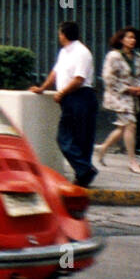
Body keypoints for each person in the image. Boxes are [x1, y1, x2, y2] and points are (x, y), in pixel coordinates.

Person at [30, 20, 98, 187]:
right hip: (70, 98)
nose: (59, 36)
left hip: (80, 96)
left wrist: (62, 92)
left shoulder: (82, 52)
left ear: (64, 34)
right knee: (72, 137)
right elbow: (55, 72)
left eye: (60, 33)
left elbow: (79, 79)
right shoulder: (64, 52)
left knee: (72, 137)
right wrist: (42, 88)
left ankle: (84, 172)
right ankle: (84, 172)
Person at [95, 27, 140, 175]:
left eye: (134, 38)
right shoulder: (113, 56)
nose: (132, 40)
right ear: (121, 39)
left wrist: (139, 87)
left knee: (123, 127)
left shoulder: (138, 57)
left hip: (132, 97)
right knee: (131, 124)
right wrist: (127, 88)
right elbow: (108, 77)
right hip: (118, 96)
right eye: (129, 37)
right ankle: (132, 161)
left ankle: (103, 147)